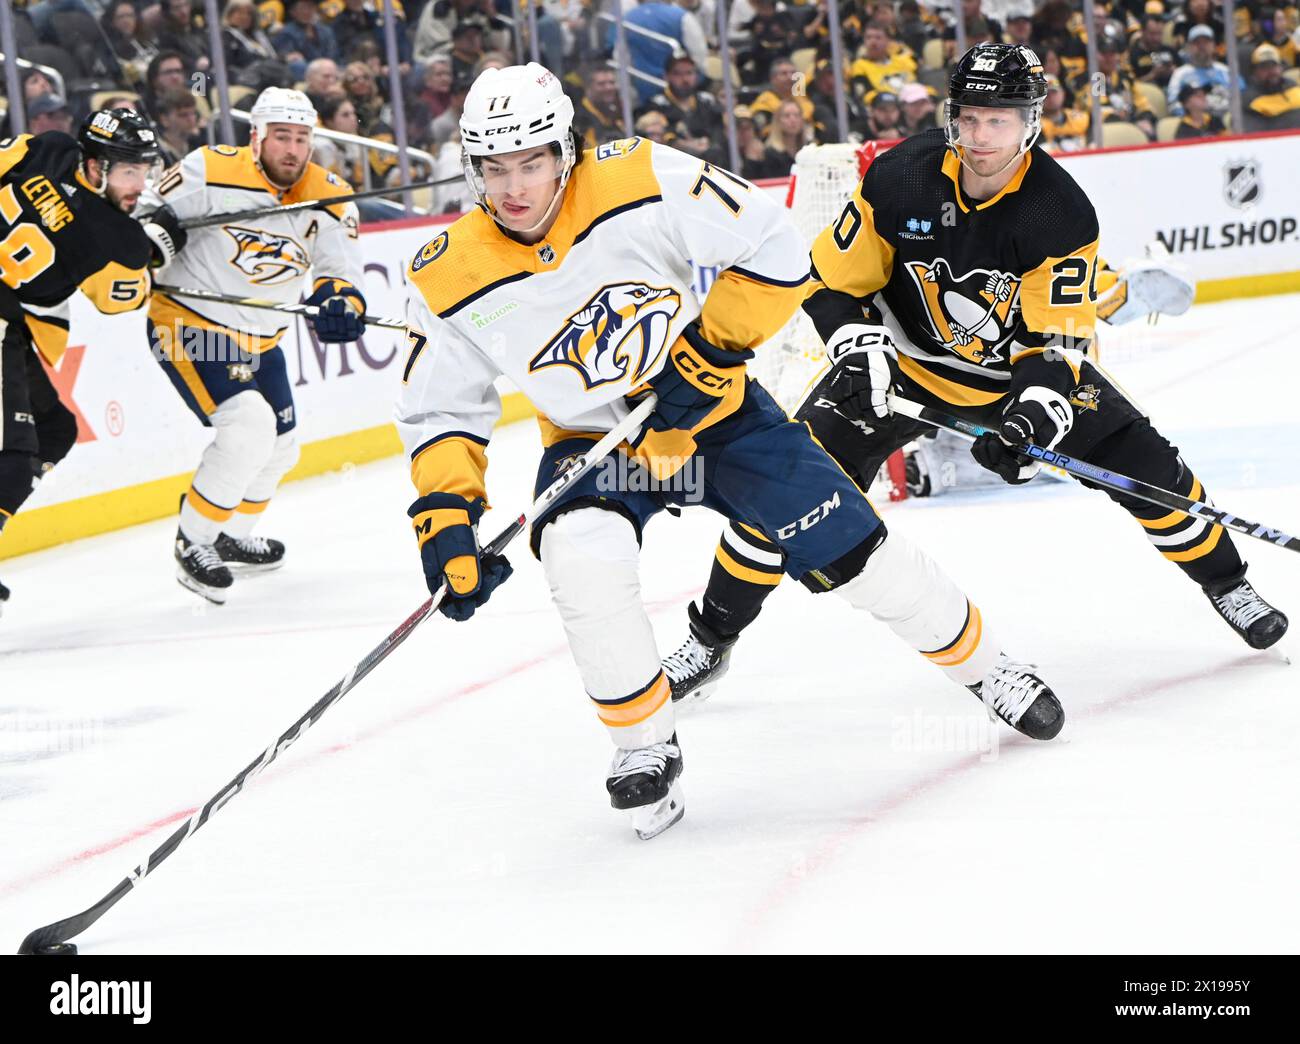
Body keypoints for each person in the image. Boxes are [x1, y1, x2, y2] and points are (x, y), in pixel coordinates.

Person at [396, 62, 1064, 840]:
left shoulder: (639, 175)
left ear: (565, 152)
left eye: (531, 164)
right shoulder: (444, 272)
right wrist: (445, 516)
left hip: (718, 417)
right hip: (598, 444)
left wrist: (711, 349)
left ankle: (989, 669)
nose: (514, 188)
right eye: (495, 169)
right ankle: (643, 748)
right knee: (580, 553)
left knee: (855, 547)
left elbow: (775, 244)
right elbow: (440, 407)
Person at [661, 44, 1288, 715]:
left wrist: (1029, 419)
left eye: (1001, 120)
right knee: (780, 494)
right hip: (899, 368)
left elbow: (1052, 348)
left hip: (1016, 378)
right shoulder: (902, 178)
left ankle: (1228, 583)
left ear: (1032, 123)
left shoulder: (1060, 211)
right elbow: (827, 282)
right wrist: (855, 342)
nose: (982, 136)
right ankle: (711, 637)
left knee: (1157, 476)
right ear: (954, 116)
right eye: (972, 117)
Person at [136, 88, 366, 604]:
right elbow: (143, 217)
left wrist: (339, 303)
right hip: (190, 323)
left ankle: (229, 533)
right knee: (248, 427)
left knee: (283, 445)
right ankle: (192, 541)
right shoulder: (208, 169)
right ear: (255, 136)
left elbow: (339, 272)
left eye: (302, 138)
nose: (292, 149)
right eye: (281, 137)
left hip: (261, 336)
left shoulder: (329, 193)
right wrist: (152, 234)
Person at [0, 110, 157, 616]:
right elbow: (121, 300)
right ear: (94, 166)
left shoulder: (46, 148)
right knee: (14, 457)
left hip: (12, 327)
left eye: (145, 171)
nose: (139, 184)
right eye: (129, 171)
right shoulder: (114, 238)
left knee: (54, 429)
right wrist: (157, 243)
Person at [1241, 43, 1300, 131]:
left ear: (1281, 67)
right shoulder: (1249, 100)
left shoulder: (1294, 88)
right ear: (1254, 72)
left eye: (1274, 65)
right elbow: (1257, 133)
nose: (1271, 71)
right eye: (1264, 67)